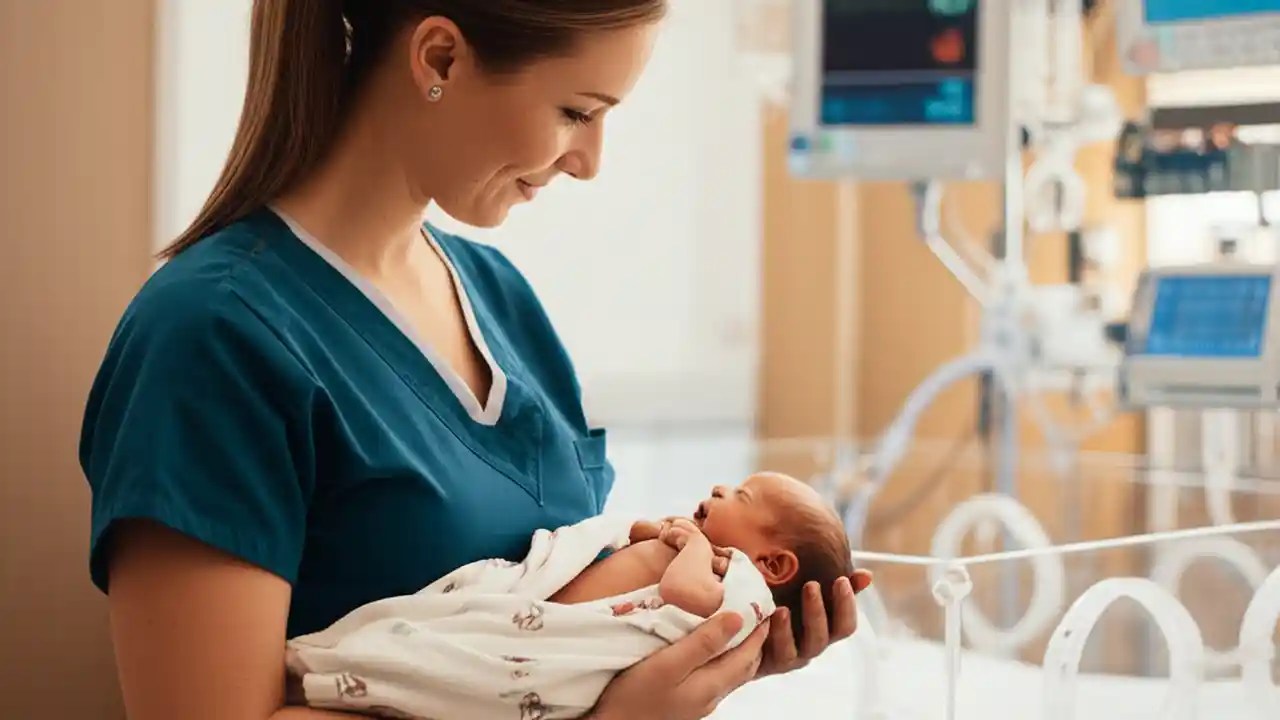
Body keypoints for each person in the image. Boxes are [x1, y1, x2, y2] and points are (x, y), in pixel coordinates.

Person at [78, 2, 873, 719]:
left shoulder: (499, 300)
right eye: (574, 111)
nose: (590, 160)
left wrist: (714, 641)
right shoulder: (214, 338)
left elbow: (565, 627)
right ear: (441, 59)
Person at [281, 473, 854, 719]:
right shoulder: (717, 559)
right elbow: (625, 539)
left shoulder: (738, 583)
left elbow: (685, 593)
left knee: (434, 660)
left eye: (743, 494)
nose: (719, 488)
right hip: (535, 617)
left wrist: (688, 548)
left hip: (543, 650)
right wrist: (657, 534)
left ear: (774, 563)